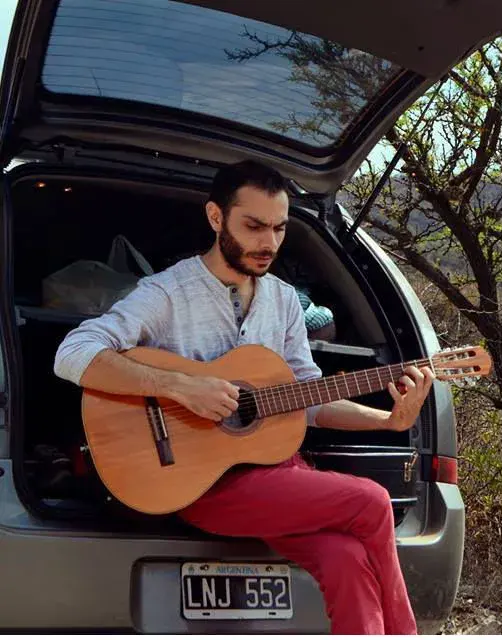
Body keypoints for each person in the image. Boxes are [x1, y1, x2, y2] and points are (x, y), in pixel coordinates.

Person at [52, 159, 433, 635]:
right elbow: (73, 352)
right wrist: (179, 386)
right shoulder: (167, 292)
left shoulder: (285, 300)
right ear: (216, 218)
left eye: (278, 228)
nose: (268, 242)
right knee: (373, 501)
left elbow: (306, 399)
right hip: (199, 483)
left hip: (280, 476)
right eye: (253, 226)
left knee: (346, 557)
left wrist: (387, 423)